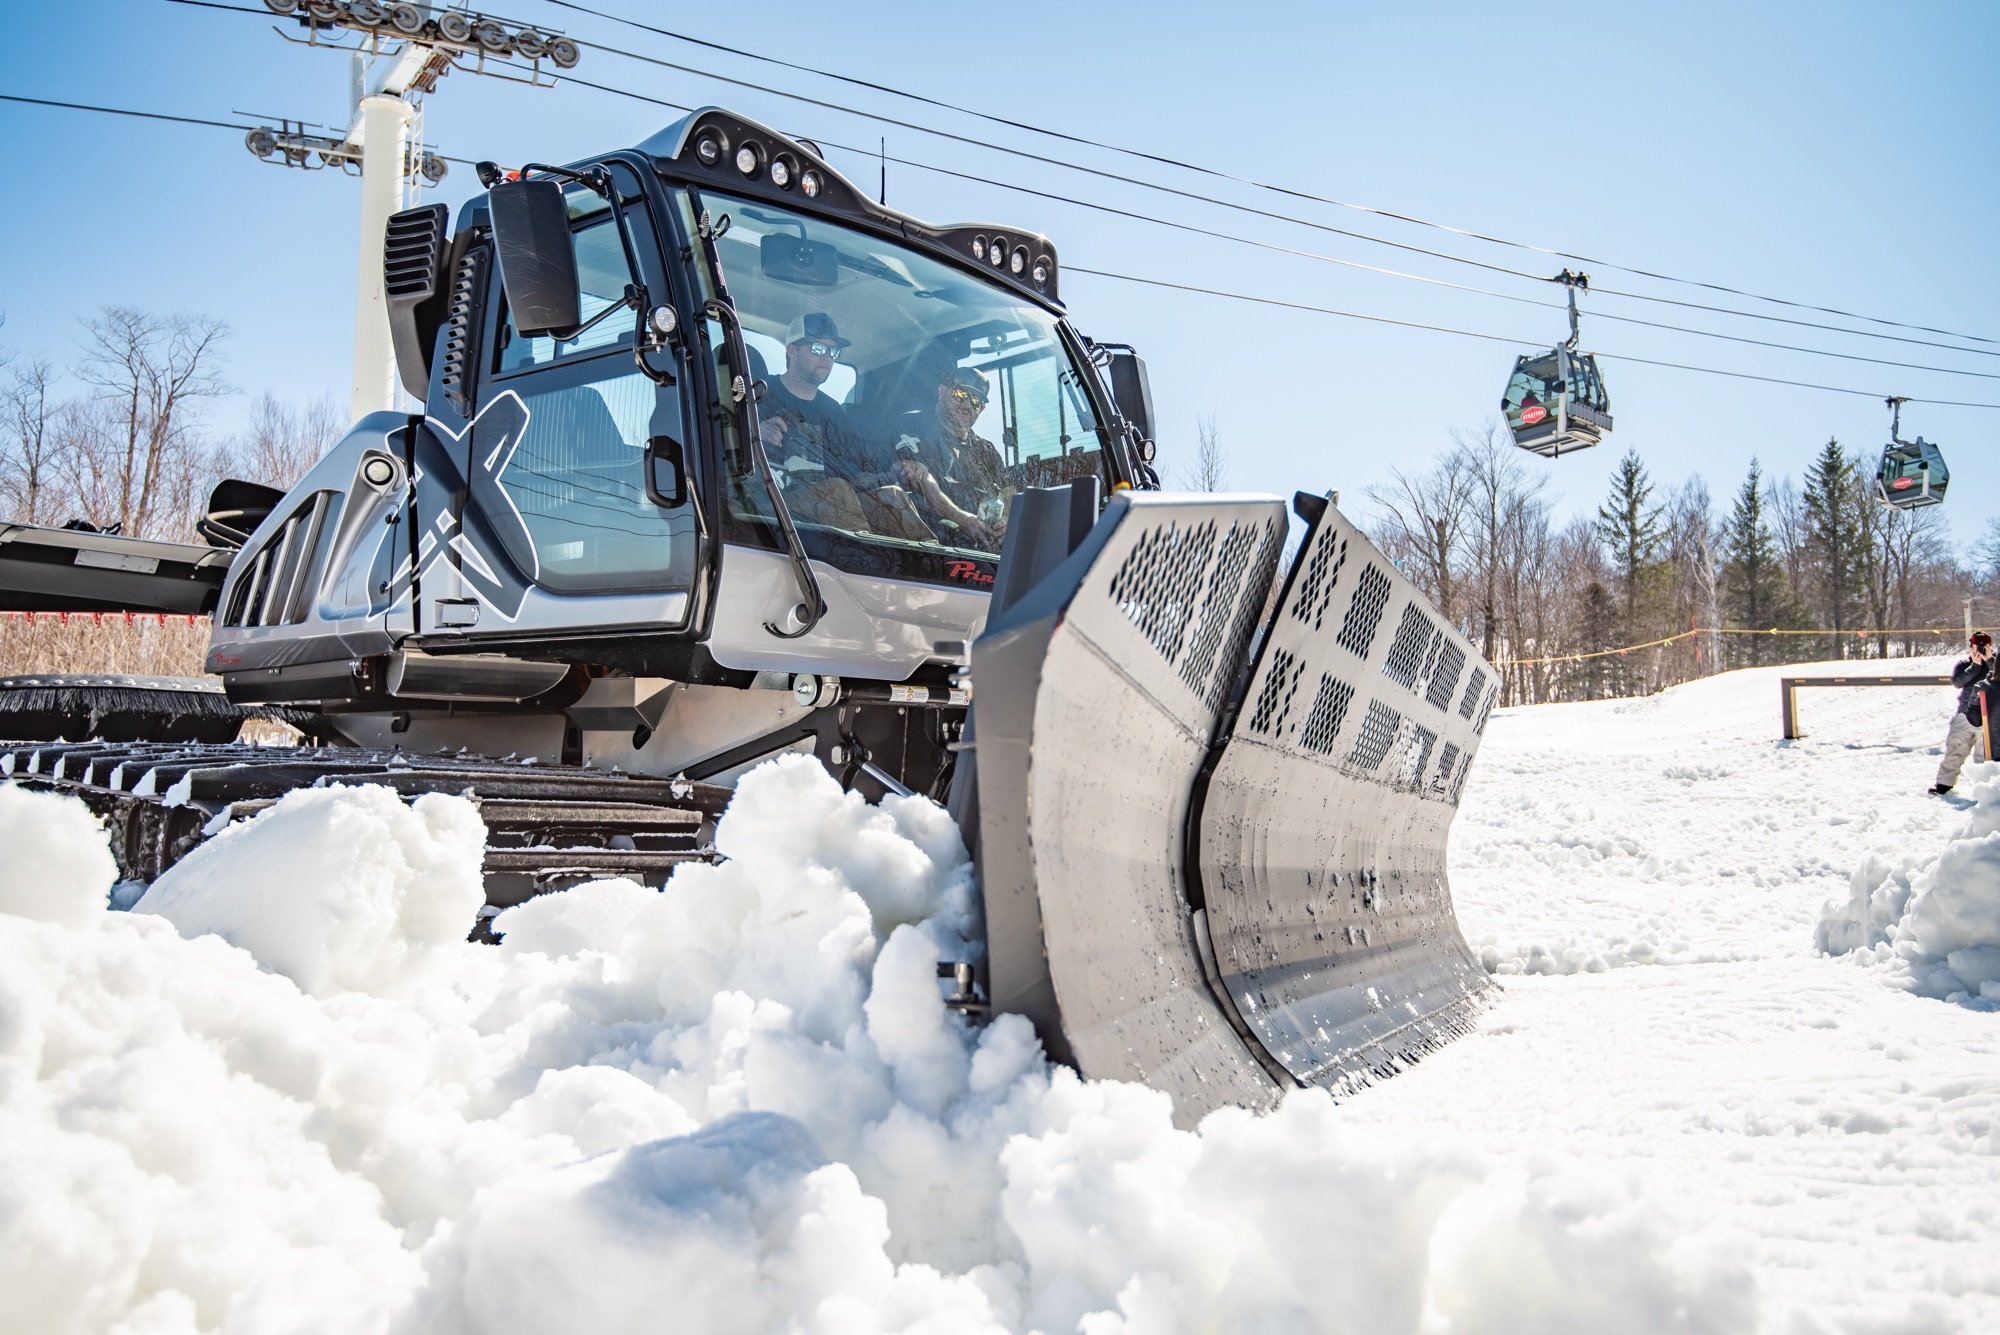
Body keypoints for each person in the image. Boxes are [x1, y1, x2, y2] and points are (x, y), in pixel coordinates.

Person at [756, 313, 933, 541]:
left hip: (830, 502)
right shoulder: (759, 391)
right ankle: (864, 560)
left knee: (893, 497)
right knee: (836, 491)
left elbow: (851, 462)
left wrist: (897, 469)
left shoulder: (832, 410)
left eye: (833, 351)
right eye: (818, 349)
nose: (827, 358)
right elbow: (725, 433)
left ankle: (932, 565)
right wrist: (756, 430)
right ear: (792, 350)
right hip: (776, 502)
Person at [887, 366, 1010, 549]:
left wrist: (1006, 519)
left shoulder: (986, 450)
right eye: (961, 393)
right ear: (942, 391)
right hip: (936, 540)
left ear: (982, 409)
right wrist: (964, 520)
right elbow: (914, 474)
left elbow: (1009, 489)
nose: (968, 404)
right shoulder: (912, 425)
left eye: (975, 401)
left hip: (986, 539)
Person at [1934, 631, 1996, 794]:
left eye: (1985, 645)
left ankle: (1986, 792)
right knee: (1954, 750)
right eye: (1978, 645)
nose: (1981, 649)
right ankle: (1943, 786)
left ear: (1990, 645)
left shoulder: (1996, 662)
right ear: (1971, 646)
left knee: (1985, 757)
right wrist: (1974, 667)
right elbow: (1957, 682)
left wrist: (1990, 661)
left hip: (1988, 717)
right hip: (1964, 714)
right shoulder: (1964, 664)